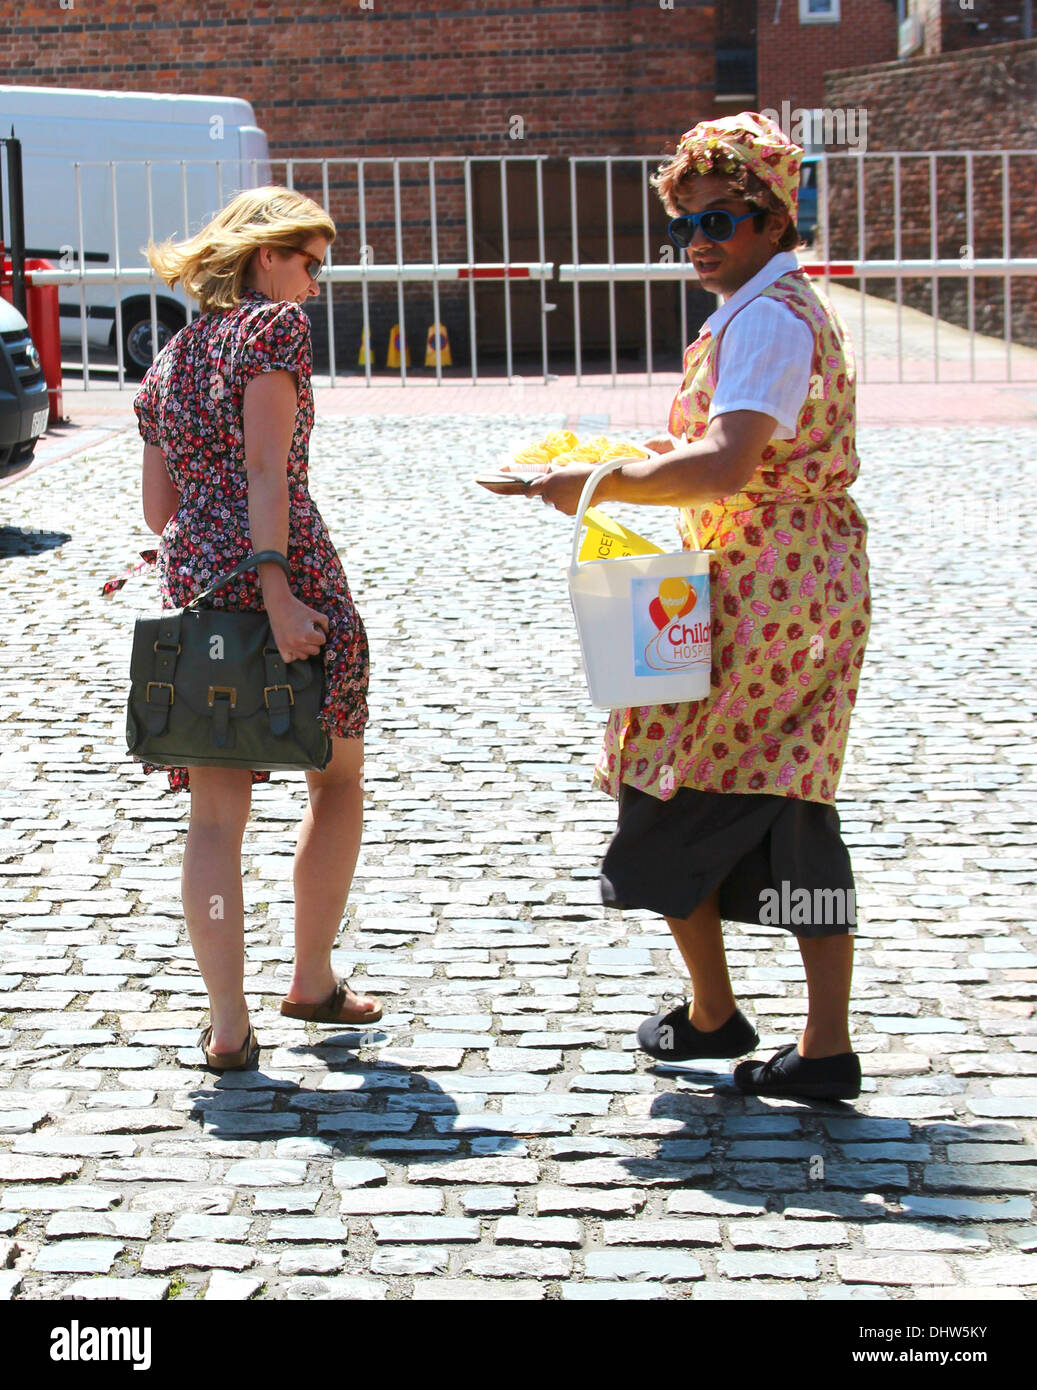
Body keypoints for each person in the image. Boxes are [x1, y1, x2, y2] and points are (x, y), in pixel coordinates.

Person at [529, 113, 871, 1101]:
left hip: (769, 595)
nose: (696, 243)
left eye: (717, 220)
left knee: (672, 782)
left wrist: (605, 481)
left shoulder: (766, 317)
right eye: (682, 227)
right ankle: (802, 1038)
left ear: (770, 220)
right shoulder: (760, 309)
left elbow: (727, 463)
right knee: (783, 797)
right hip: (771, 584)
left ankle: (735, 1019)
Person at [127, 186, 381, 1070]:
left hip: (197, 584)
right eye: (308, 262)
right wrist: (276, 589)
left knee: (213, 818)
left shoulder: (168, 359)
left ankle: (228, 1023)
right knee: (336, 779)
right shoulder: (272, 331)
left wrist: (212, 520)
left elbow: (159, 512)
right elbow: (268, 470)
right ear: (265, 255)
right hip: (284, 574)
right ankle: (311, 977)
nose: (314, 282)